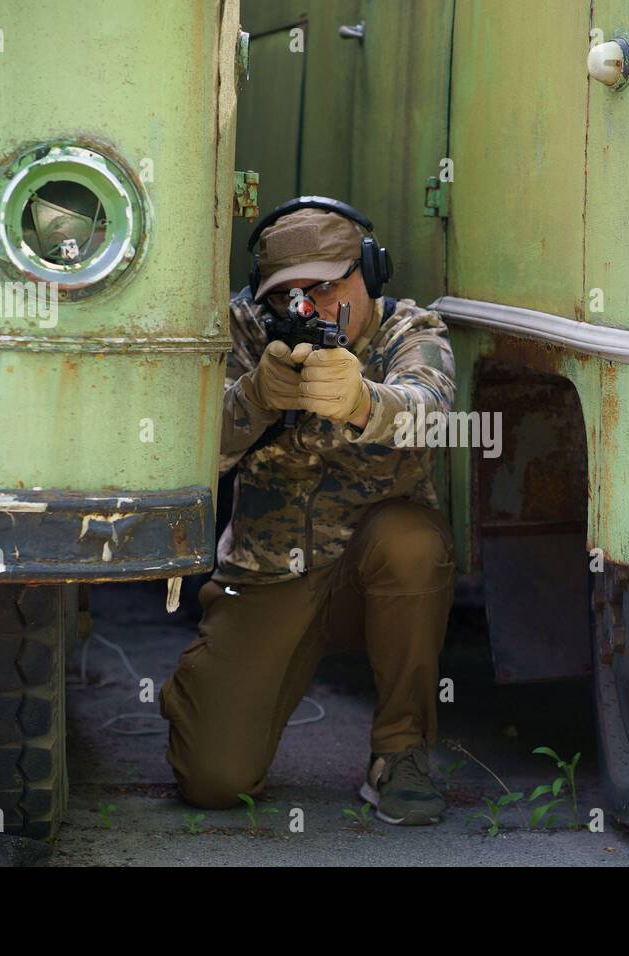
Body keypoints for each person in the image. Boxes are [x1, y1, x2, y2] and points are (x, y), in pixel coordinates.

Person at [159, 197, 457, 825]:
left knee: (414, 544)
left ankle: (400, 750)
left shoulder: (410, 328)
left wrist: (362, 402)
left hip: (371, 572)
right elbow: (176, 454)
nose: (308, 308)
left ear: (369, 272)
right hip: (268, 576)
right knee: (213, 780)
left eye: (325, 286)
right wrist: (254, 399)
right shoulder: (242, 329)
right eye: (287, 294)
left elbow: (433, 413)